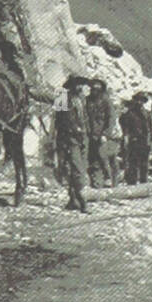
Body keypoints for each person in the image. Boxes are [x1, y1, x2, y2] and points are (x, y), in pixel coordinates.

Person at [56, 75, 90, 213]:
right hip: (69, 138)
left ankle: (74, 199)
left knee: (77, 168)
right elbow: (61, 120)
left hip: (80, 137)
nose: (85, 88)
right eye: (82, 85)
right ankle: (82, 202)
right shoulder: (62, 96)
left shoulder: (80, 99)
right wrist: (76, 131)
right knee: (76, 169)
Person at [85, 77, 114, 186]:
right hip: (90, 133)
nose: (94, 90)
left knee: (102, 156)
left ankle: (108, 178)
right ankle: (95, 182)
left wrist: (106, 134)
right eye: (93, 88)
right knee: (91, 158)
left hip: (101, 134)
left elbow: (111, 118)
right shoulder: (87, 100)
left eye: (97, 88)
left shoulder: (106, 101)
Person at [119, 89, 152, 184]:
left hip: (144, 140)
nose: (139, 102)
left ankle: (143, 181)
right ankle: (132, 181)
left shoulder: (147, 114)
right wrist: (126, 138)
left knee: (144, 162)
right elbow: (124, 127)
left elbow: (150, 127)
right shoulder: (129, 113)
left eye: (142, 100)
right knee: (133, 162)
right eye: (138, 100)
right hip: (133, 140)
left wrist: (151, 140)